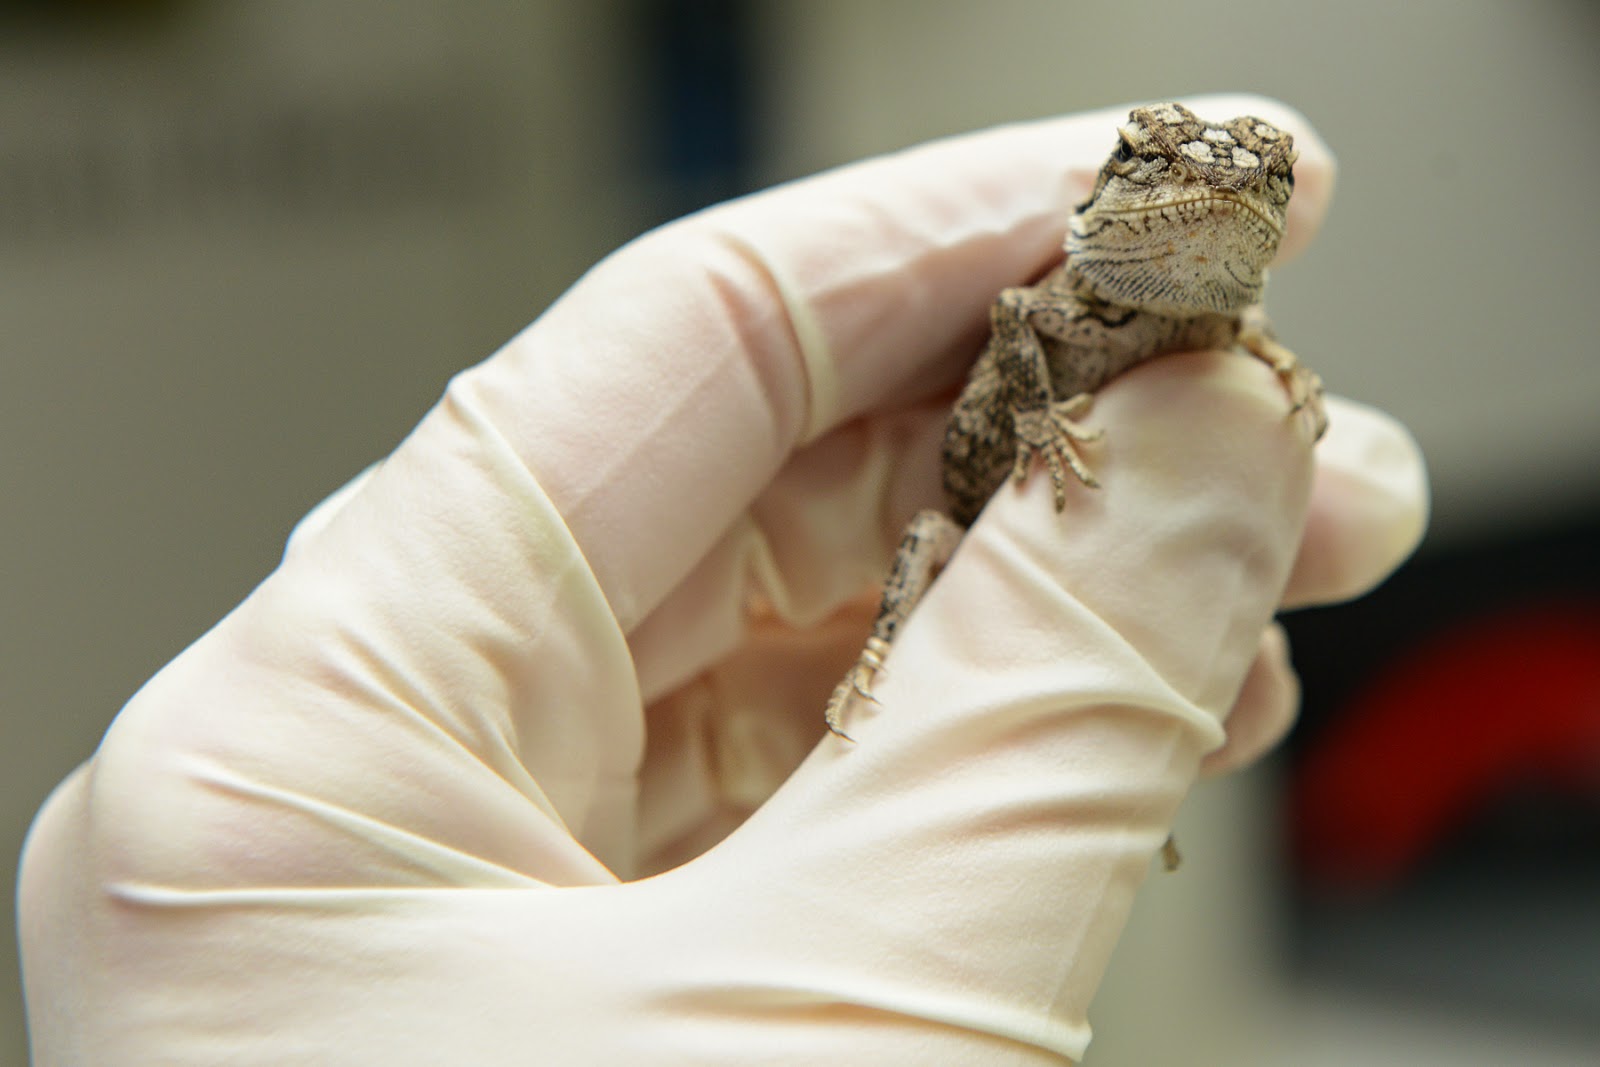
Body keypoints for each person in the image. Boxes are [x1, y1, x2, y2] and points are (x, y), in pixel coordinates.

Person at [18, 95, 1426, 1065]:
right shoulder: (1061, 300)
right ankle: (884, 666)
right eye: (1156, 165)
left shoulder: (1213, 303)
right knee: (930, 565)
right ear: (1114, 193)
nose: (1208, 190)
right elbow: (1015, 317)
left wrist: (1258, 359)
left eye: (1242, 184)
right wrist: (1044, 428)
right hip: (982, 484)